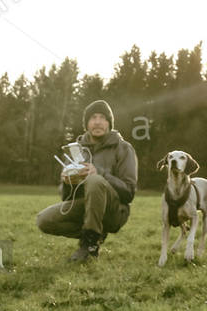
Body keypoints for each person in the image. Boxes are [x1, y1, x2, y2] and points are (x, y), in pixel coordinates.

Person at [35, 99, 136, 261]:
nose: (97, 122)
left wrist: (101, 173)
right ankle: (95, 232)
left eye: (102, 117)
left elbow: (129, 193)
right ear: (86, 123)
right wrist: (67, 183)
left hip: (114, 210)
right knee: (44, 220)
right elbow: (66, 198)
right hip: (86, 206)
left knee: (94, 180)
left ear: (109, 122)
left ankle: (89, 245)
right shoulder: (75, 149)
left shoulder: (123, 148)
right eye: (92, 118)